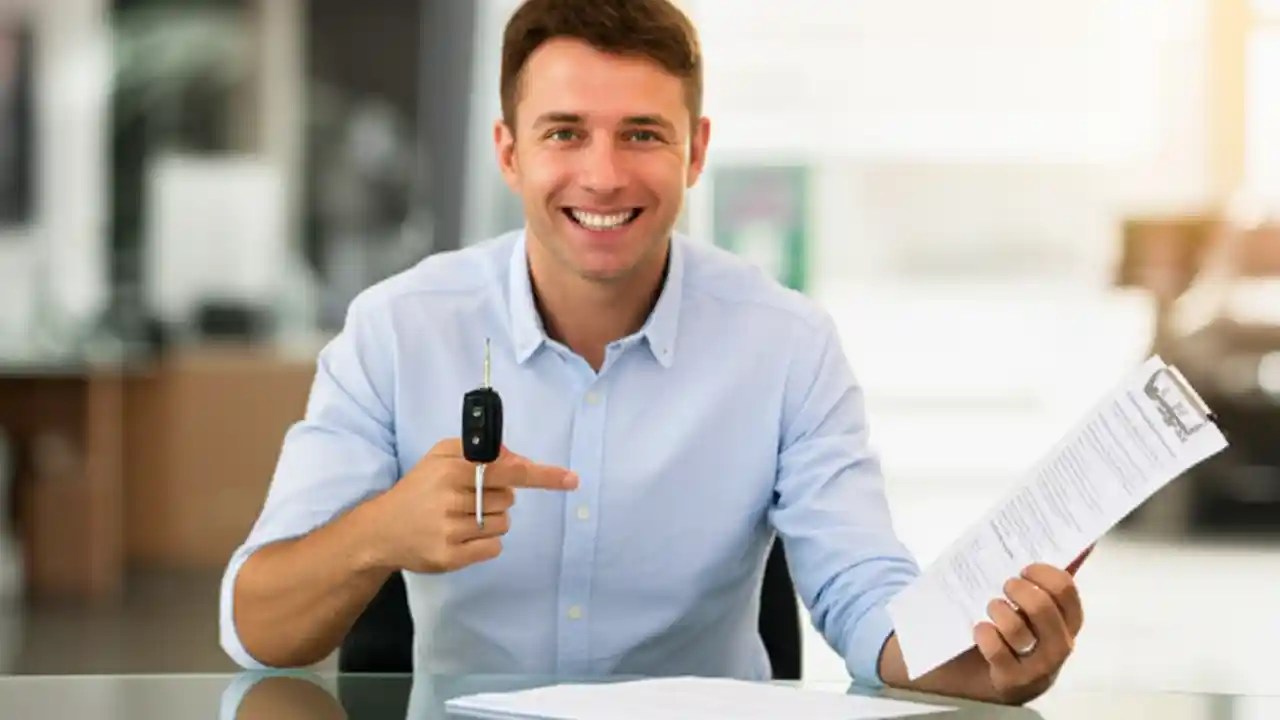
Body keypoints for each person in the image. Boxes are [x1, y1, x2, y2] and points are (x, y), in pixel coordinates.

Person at [220, 0, 1087, 705]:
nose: (603, 175)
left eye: (641, 133)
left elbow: (864, 595)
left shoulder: (786, 344)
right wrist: (380, 532)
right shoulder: (398, 329)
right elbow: (254, 630)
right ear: (509, 153)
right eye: (564, 133)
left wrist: (976, 662)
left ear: (695, 151)